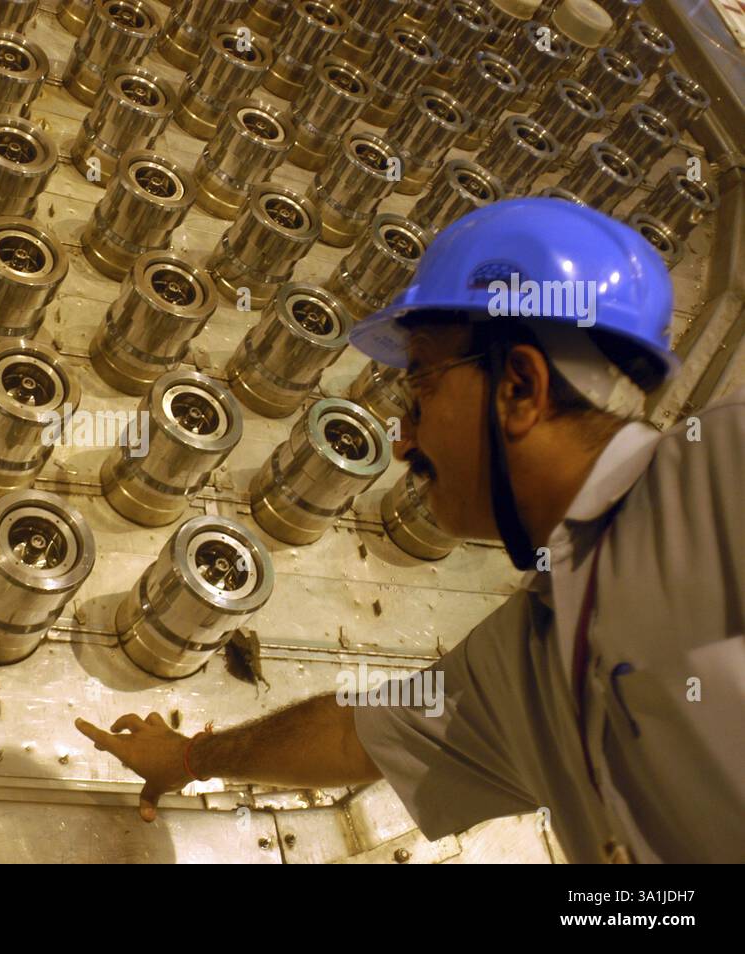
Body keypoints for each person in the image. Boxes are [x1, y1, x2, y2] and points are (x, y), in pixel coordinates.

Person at [75, 198, 745, 863]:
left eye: (421, 385)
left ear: (519, 387)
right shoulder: (532, 654)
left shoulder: (724, 471)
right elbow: (351, 736)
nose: (401, 441)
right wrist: (189, 757)